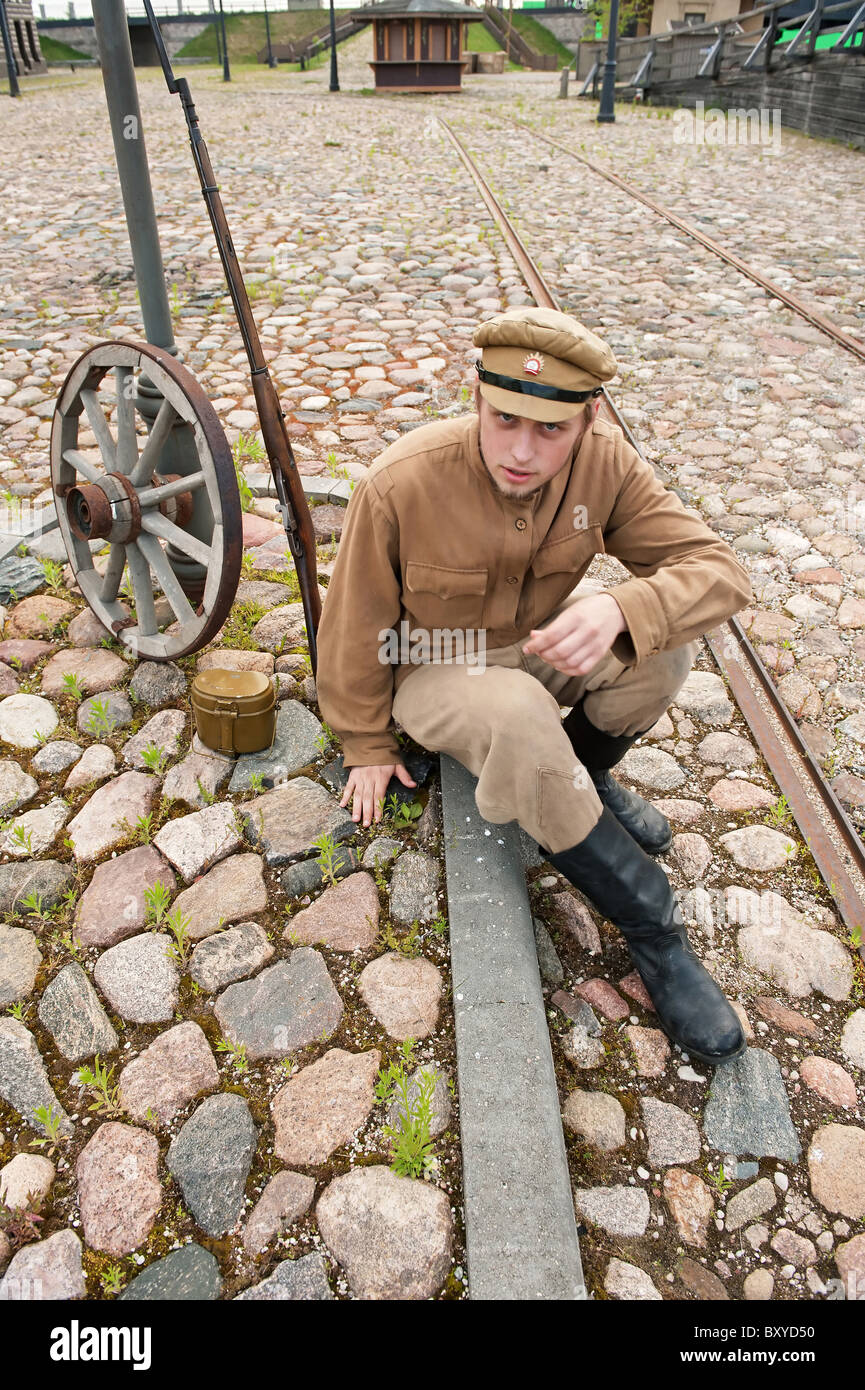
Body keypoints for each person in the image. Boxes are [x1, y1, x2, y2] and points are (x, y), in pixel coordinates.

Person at [316, 307, 753, 1065]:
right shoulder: (402, 481)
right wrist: (363, 741)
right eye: (505, 419)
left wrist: (624, 604)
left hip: (524, 646)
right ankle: (652, 930)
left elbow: (721, 572)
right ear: (476, 400)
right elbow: (353, 623)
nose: (522, 450)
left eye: (549, 430)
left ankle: (581, 777)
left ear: (586, 419)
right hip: (429, 666)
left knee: (662, 646)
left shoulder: (606, 466)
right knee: (520, 715)